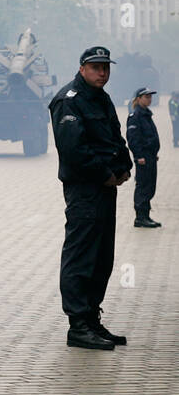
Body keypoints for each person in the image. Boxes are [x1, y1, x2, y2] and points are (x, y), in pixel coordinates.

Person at [48, 46, 134, 351]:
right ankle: (78, 326)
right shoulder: (68, 101)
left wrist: (124, 166)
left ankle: (92, 319)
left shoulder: (102, 98)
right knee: (81, 256)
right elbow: (74, 151)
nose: (102, 72)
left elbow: (115, 137)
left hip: (105, 187)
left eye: (106, 67)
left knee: (101, 257)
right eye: (96, 67)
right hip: (85, 190)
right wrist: (105, 174)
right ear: (82, 68)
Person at [125, 87, 162, 229]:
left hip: (150, 156)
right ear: (138, 99)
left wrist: (154, 152)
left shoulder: (146, 114)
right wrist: (139, 155)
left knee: (150, 186)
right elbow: (133, 138)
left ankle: (146, 215)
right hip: (143, 158)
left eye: (150, 97)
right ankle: (140, 217)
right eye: (146, 97)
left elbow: (150, 136)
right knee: (143, 186)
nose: (149, 99)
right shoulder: (135, 116)